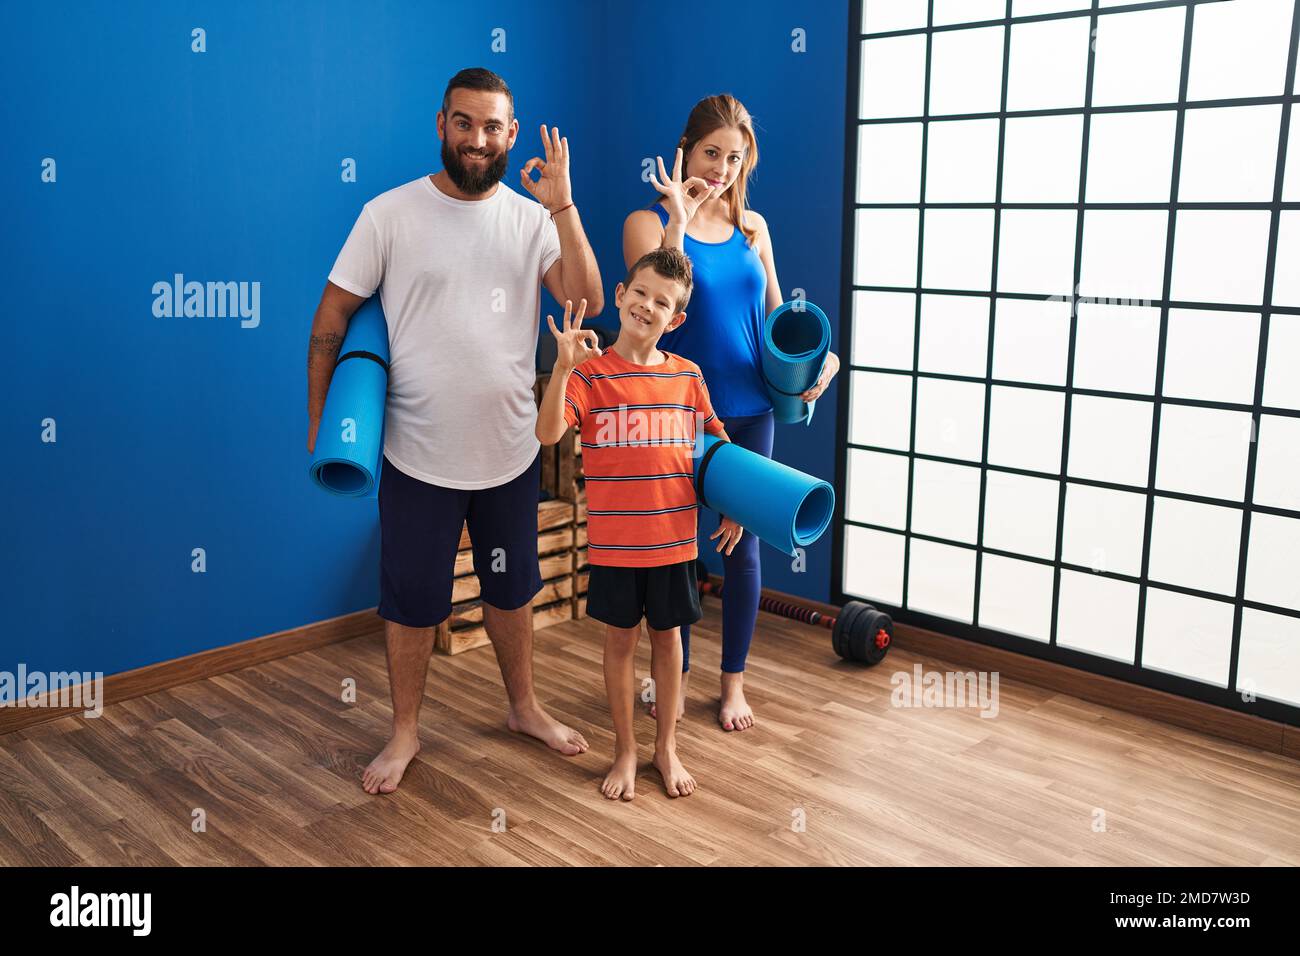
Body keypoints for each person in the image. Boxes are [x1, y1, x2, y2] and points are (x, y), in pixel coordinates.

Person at [307, 67, 604, 795]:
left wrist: (563, 208)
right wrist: (323, 426)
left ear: (512, 131)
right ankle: (405, 730)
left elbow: (589, 301)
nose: (478, 140)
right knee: (411, 604)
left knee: (511, 593)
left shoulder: (533, 220)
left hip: (507, 455)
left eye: (493, 126)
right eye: (464, 123)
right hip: (417, 456)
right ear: (440, 124)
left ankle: (523, 707)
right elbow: (329, 325)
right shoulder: (389, 215)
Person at [622, 94, 841, 732]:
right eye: (711, 152)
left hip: (750, 413)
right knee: (677, 551)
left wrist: (816, 367)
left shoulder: (754, 229)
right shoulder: (647, 223)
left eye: (733, 157)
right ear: (685, 149)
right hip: (679, 411)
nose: (720, 168)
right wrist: (679, 218)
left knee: (741, 549)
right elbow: (657, 300)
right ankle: (676, 678)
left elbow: (777, 318)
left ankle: (734, 683)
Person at [536, 248, 741, 800]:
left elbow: (718, 441)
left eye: (662, 303)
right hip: (615, 548)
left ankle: (665, 747)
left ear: (675, 319)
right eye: (641, 293)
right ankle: (625, 750)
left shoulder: (687, 377)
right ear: (623, 295)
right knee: (620, 643)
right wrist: (561, 368)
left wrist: (735, 502)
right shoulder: (590, 376)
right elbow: (548, 433)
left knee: (668, 640)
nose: (647, 306)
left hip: (675, 543)